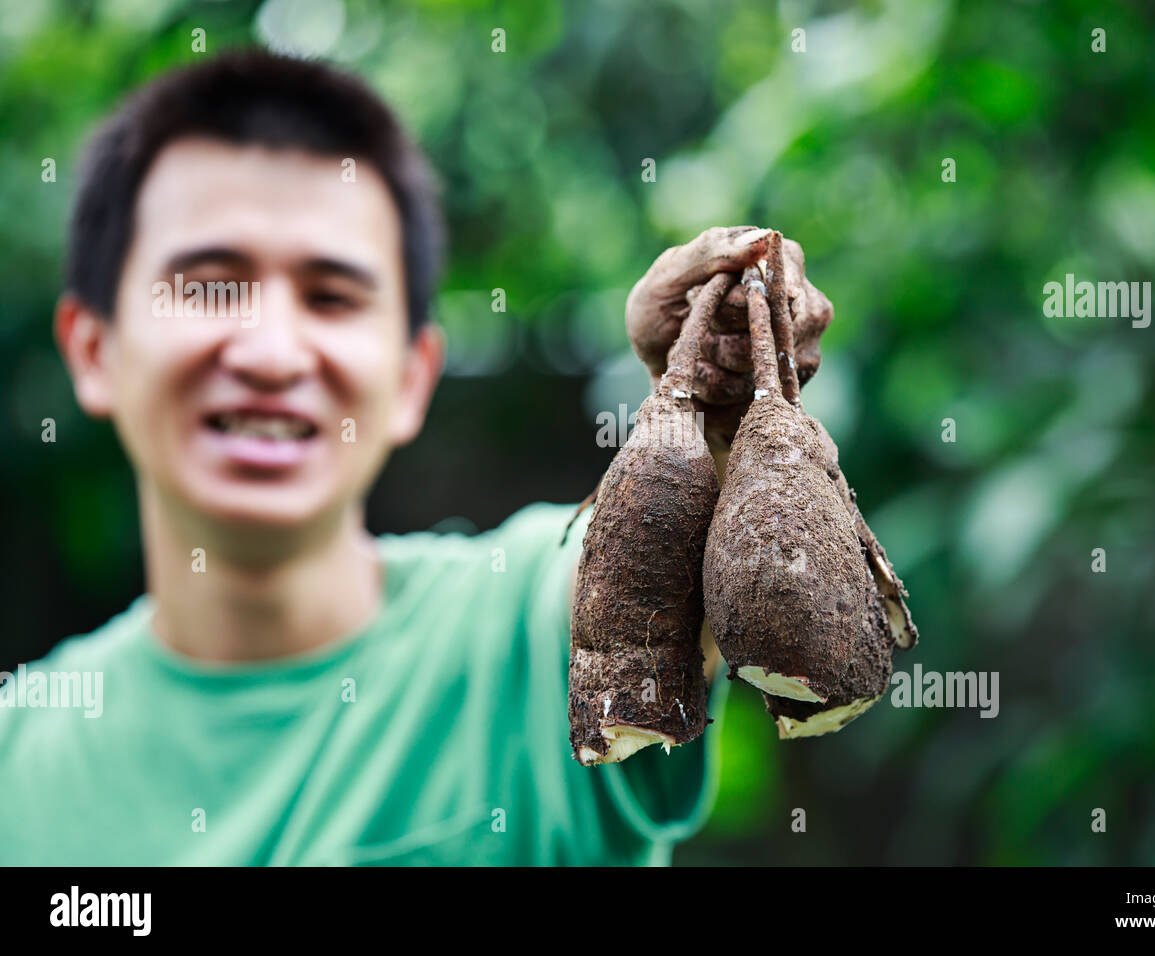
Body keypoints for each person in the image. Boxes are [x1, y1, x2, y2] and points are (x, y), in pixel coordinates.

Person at [0, 49, 833, 866]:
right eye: (212, 286)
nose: (272, 352)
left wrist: (716, 410)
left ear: (412, 375)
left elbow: (653, 584)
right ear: (94, 348)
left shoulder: (519, 635)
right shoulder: (17, 756)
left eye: (331, 296)